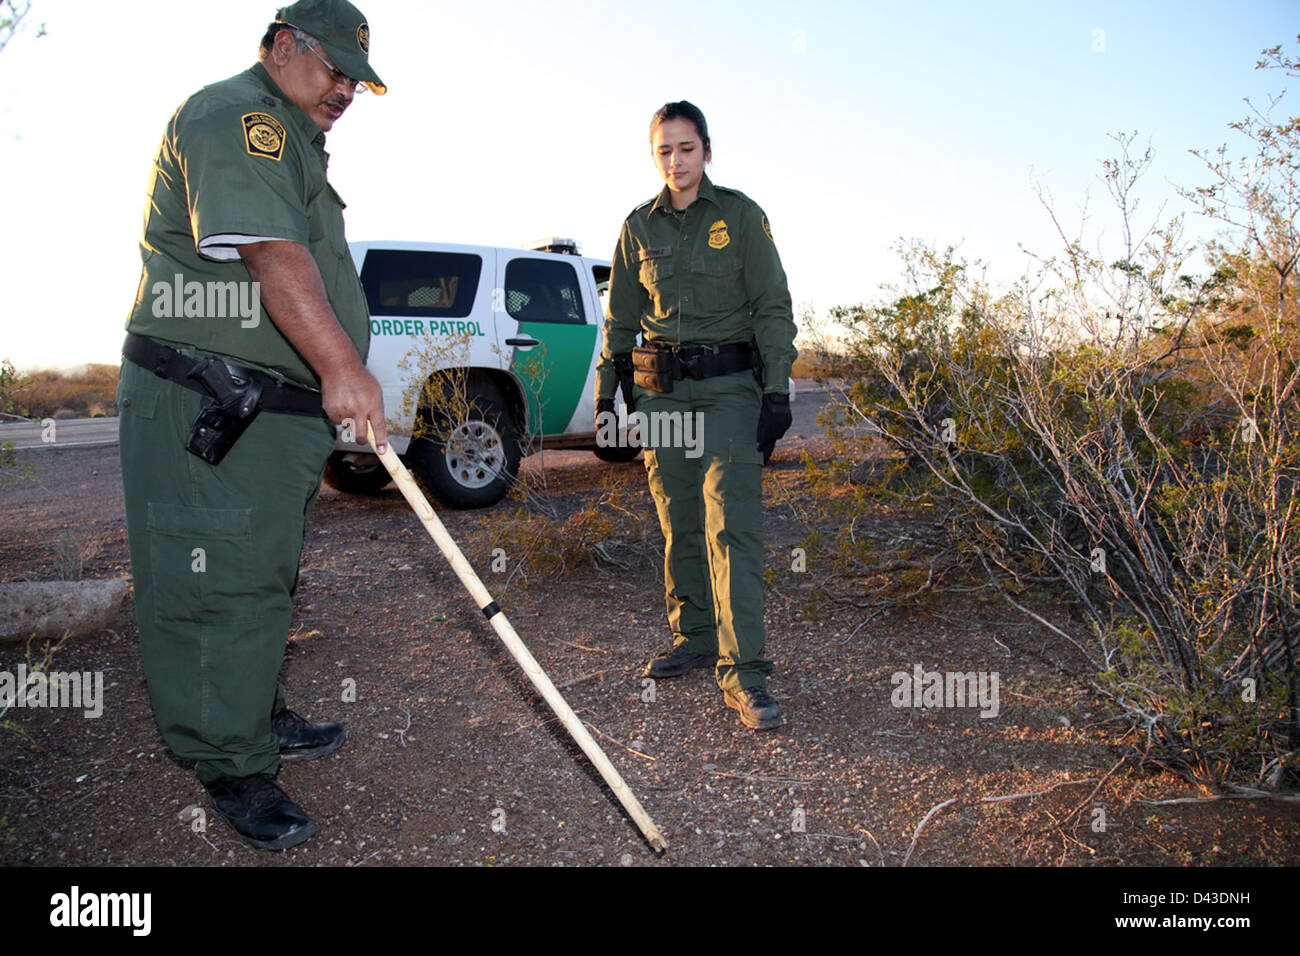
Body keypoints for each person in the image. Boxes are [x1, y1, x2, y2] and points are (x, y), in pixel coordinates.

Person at [116, 0, 388, 850]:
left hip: (271, 409)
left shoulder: (296, 141)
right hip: (209, 398)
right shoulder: (237, 116)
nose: (343, 88)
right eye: (331, 68)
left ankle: (251, 714)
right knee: (212, 578)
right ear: (279, 47)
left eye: (354, 78)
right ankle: (229, 760)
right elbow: (272, 254)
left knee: (261, 573)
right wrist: (344, 367)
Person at [595, 101, 797, 730]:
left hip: (729, 392)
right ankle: (696, 637)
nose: (676, 161)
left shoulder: (740, 215)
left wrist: (778, 391)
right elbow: (621, 322)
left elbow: (772, 306)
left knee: (731, 525)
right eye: (664, 150)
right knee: (678, 517)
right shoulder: (637, 228)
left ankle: (746, 675)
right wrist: (608, 396)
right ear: (654, 156)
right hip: (661, 397)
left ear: (707, 150)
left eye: (686, 148)